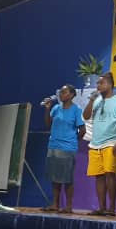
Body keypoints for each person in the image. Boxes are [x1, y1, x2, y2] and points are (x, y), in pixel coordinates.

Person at [82, 72, 116, 215]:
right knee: (99, 175)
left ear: (109, 84)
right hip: (95, 143)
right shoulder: (97, 101)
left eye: (101, 83)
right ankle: (102, 207)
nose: (98, 85)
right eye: (97, 83)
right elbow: (85, 116)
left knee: (110, 173)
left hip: (111, 141)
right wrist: (91, 101)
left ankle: (112, 208)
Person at [42, 84, 85, 213]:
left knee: (67, 178)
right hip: (53, 145)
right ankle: (55, 204)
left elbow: (82, 130)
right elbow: (48, 124)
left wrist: (72, 141)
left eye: (64, 92)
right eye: (60, 92)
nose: (61, 94)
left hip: (68, 148)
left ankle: (68, 206)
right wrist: (47, 109)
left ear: (71, 95)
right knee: (55, 177)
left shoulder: (76, 110)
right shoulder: (56, 108)